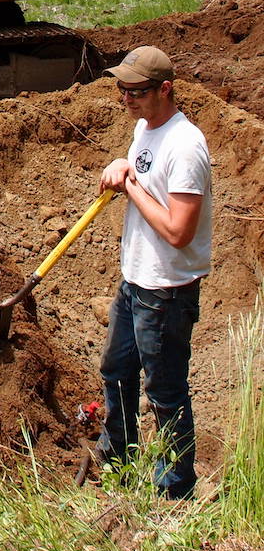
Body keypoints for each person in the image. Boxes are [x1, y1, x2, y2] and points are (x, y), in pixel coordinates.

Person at [95, 45, 212, 499]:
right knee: (115, 369)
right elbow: (143, 182)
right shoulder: (145, 128)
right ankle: (118, 463)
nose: (127, 99)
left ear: (165, 89)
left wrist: (129, 185)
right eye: (122, 89)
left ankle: (174, 489)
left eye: (137, 91)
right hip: (136, 280)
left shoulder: (186, 147)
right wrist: (126, 165)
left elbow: (179, 231)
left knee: (164, 392)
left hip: (166, 290)